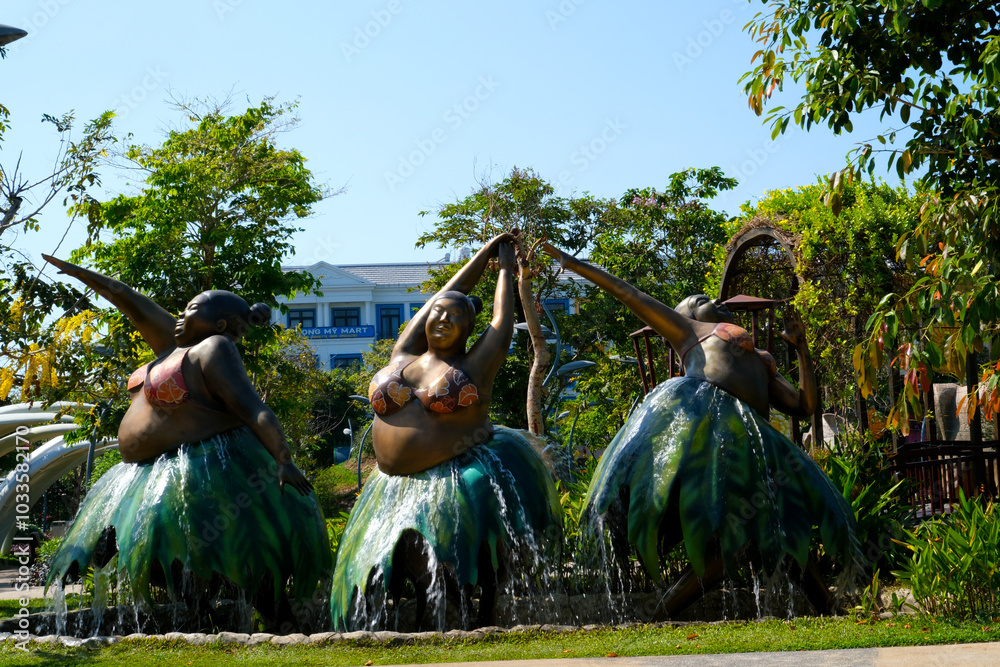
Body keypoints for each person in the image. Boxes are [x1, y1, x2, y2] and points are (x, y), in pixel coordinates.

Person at [540, 242, 860, 617]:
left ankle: (827, 609)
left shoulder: (762, 359)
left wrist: (802, 348)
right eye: (704, 299)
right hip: (710, 433)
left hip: (754, 443)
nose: (718, 302)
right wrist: (573, 263)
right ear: (686, 315)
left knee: (773, 531)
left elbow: (804, 407)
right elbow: (629, 293)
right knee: (744, 537)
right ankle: (662, 613)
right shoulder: (690, 332)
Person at [42, 255, 330, 628]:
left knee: (225, 542)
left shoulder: (213, 348)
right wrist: (81, 273)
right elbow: (127, 297)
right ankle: (197, 614)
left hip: (205, 468)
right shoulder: (171, 344)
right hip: (146, 473)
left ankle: (271, 617)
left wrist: (283, 457)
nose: (180, 315)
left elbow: (252, 408)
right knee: (157, 548)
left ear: (220, 324)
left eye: (191, 309)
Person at [330, 234, 562, 630]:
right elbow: (445, 294)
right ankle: (432, 620)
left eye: (456, 318)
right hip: (393, 483)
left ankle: (476, 616)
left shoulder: (476, 365)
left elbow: (501, 324)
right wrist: (483, 253)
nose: (443, 319)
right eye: (437, 314)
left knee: (462, 557)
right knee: (409, 562)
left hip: (457, 474)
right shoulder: (402, 355)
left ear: (469, 330)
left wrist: (505, 270)